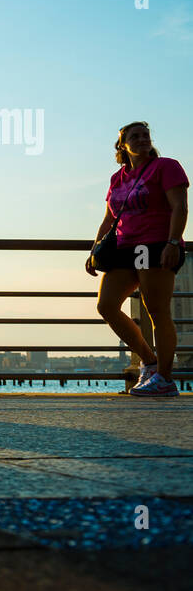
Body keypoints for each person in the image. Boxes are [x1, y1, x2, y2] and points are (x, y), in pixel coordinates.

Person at [87, 121, 188, 396]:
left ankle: (165, 379)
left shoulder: (166, 167)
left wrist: (172, 242)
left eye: (146, 135)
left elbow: (179, 206)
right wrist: (95, 249)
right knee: (106, 305)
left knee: (157, 311)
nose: (143, 139)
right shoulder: (117, 178)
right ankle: (150, 361)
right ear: (122, 145)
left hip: (153, 244)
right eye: (136, 136)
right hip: (123, 248)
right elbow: (109, 217)